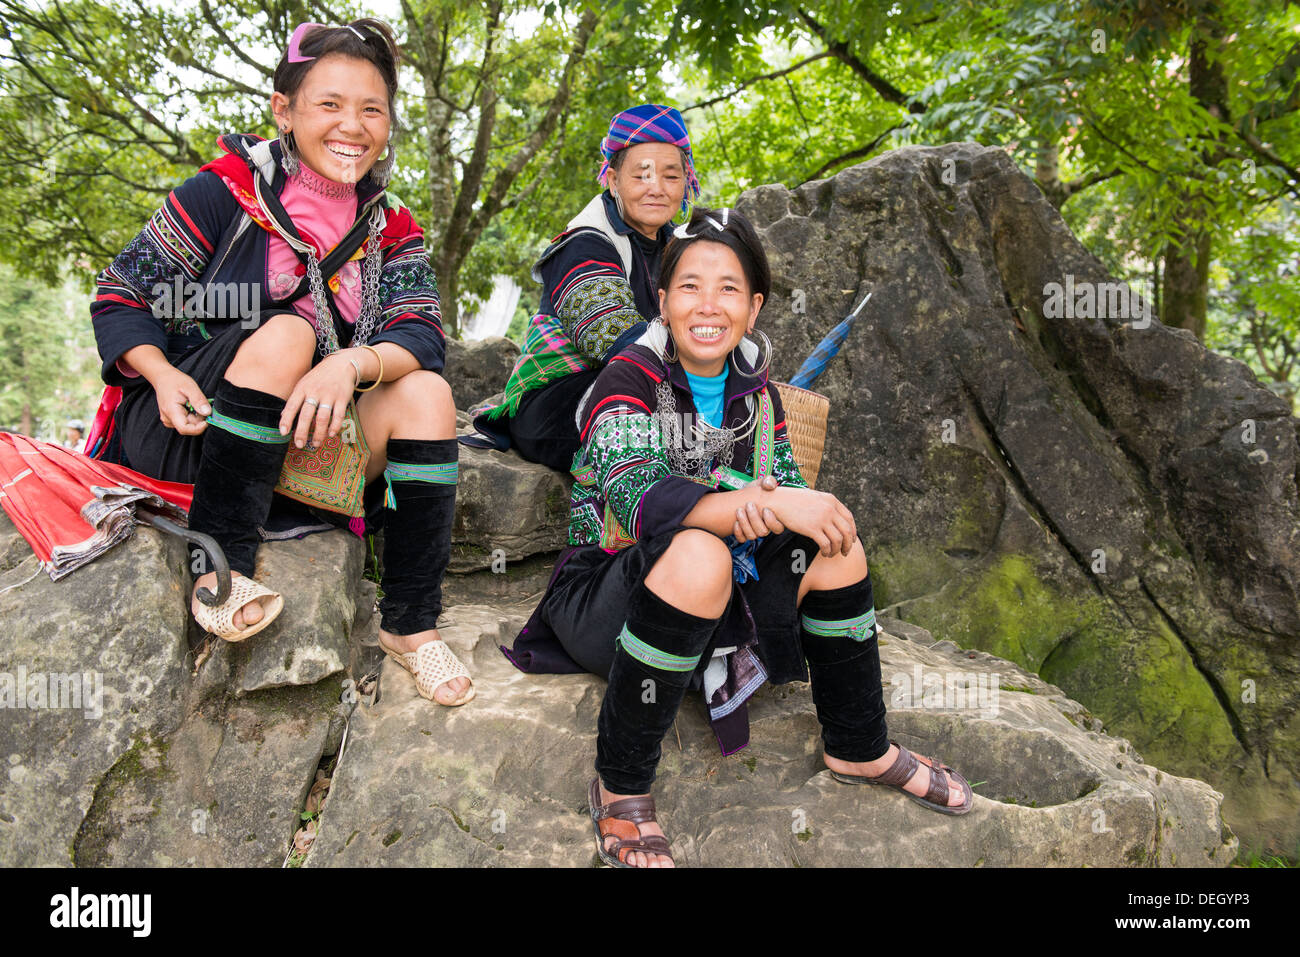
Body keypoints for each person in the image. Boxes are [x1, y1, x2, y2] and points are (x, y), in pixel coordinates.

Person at [503, 207, 973, 867]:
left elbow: (781, 490)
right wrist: (745, 501)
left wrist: (792, 503)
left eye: (729, 288)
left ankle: (858, 744)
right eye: (690, 285)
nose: (708, 304)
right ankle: (621, 780)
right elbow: (641, 501)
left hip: (723, 588)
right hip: (611, 596)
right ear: (662, 302)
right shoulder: (627, 378)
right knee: (696, 551)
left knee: (833, 538)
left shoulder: (758, 393)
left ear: (752, 309)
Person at [89, 20, 472, 705]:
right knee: (291, 334)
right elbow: (123, 293)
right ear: (284, 110)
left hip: (297, 448)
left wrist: (349, 364)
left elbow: (420, 334)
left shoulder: (392, 227)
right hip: (192, 430)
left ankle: (410, 624)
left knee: (429, 395)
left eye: (371, 108)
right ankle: (219, 567)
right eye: (329, 104)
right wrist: (163, 372)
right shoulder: (224, 193)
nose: (351, 125)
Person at [462, 103, 701, 471]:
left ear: (685, 181)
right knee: (677, 419)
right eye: (641, 176)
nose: (657, 189)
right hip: (556, 401)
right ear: (612, 179)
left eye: (671, 176)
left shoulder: (679, 248)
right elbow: (617, 340)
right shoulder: (584, 242)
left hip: (647, 385)